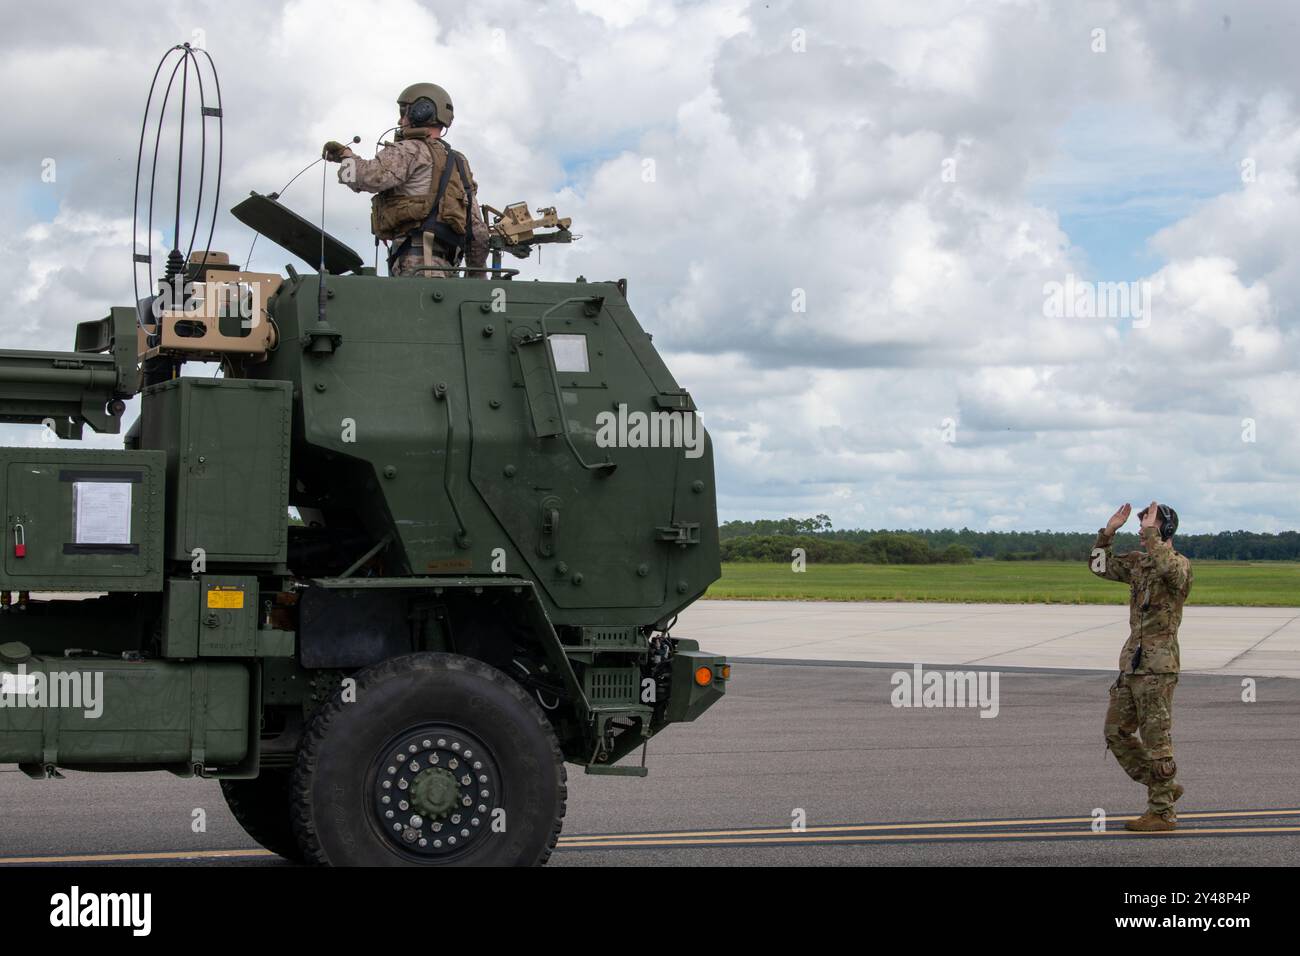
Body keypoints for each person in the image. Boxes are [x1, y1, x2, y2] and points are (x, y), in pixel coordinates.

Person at [1089, 501, 1192, 831]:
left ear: (1166, 529)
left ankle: (1162, 814)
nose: (1141, 527)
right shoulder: (1139, 564)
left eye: (1148, 522)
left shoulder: (1178, 565)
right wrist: (1108, 533)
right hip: (1132, 665)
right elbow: (1099, 567)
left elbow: (1169, 569)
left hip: (1158, 668)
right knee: (1115, 732)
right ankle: (1162, 788)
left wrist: (1151, 534)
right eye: (1141, 523)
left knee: (1156, 740)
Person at [323, 83, 489, 278]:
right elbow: (477, 232)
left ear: (422, 112)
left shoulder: (410, 149)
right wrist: (477, 279)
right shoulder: (460, 163)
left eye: (404, 113)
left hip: (416, 265)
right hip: (448, 271)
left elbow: (366, 177)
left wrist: (345, 156)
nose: (400, 120)